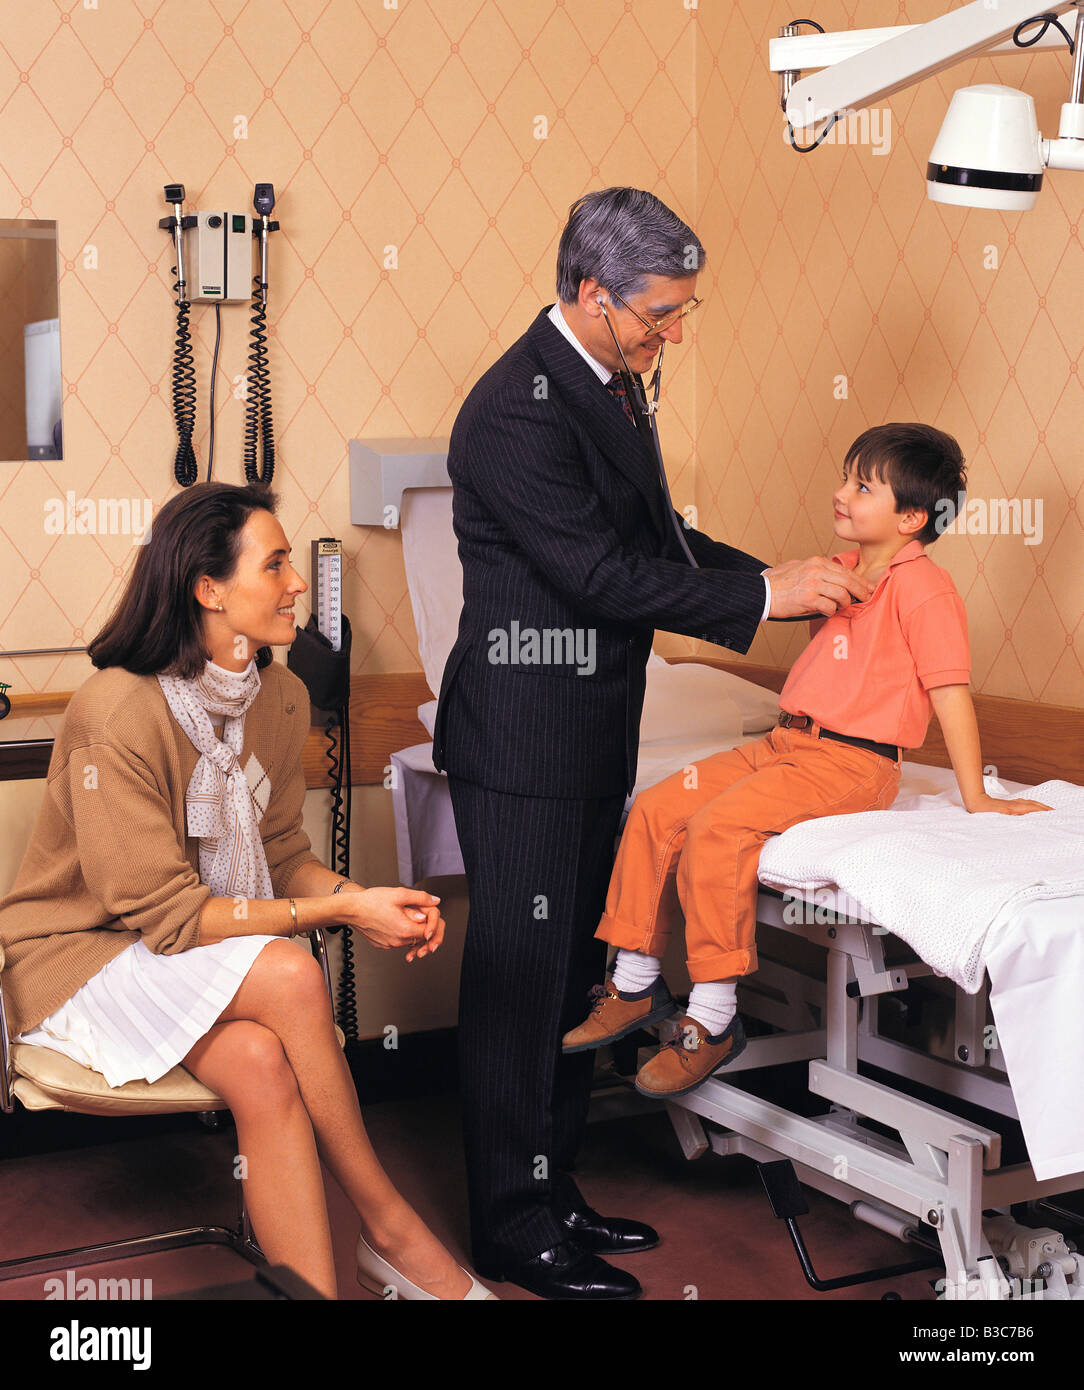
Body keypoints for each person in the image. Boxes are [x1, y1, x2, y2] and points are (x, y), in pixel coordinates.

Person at [432, 186, 876, 1301]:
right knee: (522, 985)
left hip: (586, 734)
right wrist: (762, 599)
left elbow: (660, 542)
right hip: (523, 740)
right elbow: (596, 576)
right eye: (658, 314)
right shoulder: (516, 411)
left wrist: (782, 577)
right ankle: (510, 1228)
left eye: (683, 310)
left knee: (581, 978)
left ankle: (553, 1191)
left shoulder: (606, 388)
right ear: (591, 294)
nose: (671, 333)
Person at [0, 482, 497, 1302]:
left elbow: (280, 850)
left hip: (176, 963)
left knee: (264, 1063)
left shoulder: (280, 698)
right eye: (275, 565)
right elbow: (166, 913)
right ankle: (392, 1230)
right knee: (294, 973)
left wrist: (360, 896)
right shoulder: (114, 711)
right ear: (209, 588)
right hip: (78, 961)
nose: (298, 583)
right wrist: (338, 912)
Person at [562, 422, 1053, 1094]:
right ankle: (634, 984)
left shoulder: (927, 590)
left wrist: (979, 797)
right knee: (654, 808)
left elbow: (951, 696)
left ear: (912, 516)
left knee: (717, 830)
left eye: (861, 485)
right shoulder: (836, 574)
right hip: (783, 741)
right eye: (846, 478)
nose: (839, 493)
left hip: (852, 763)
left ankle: (712, 1018)